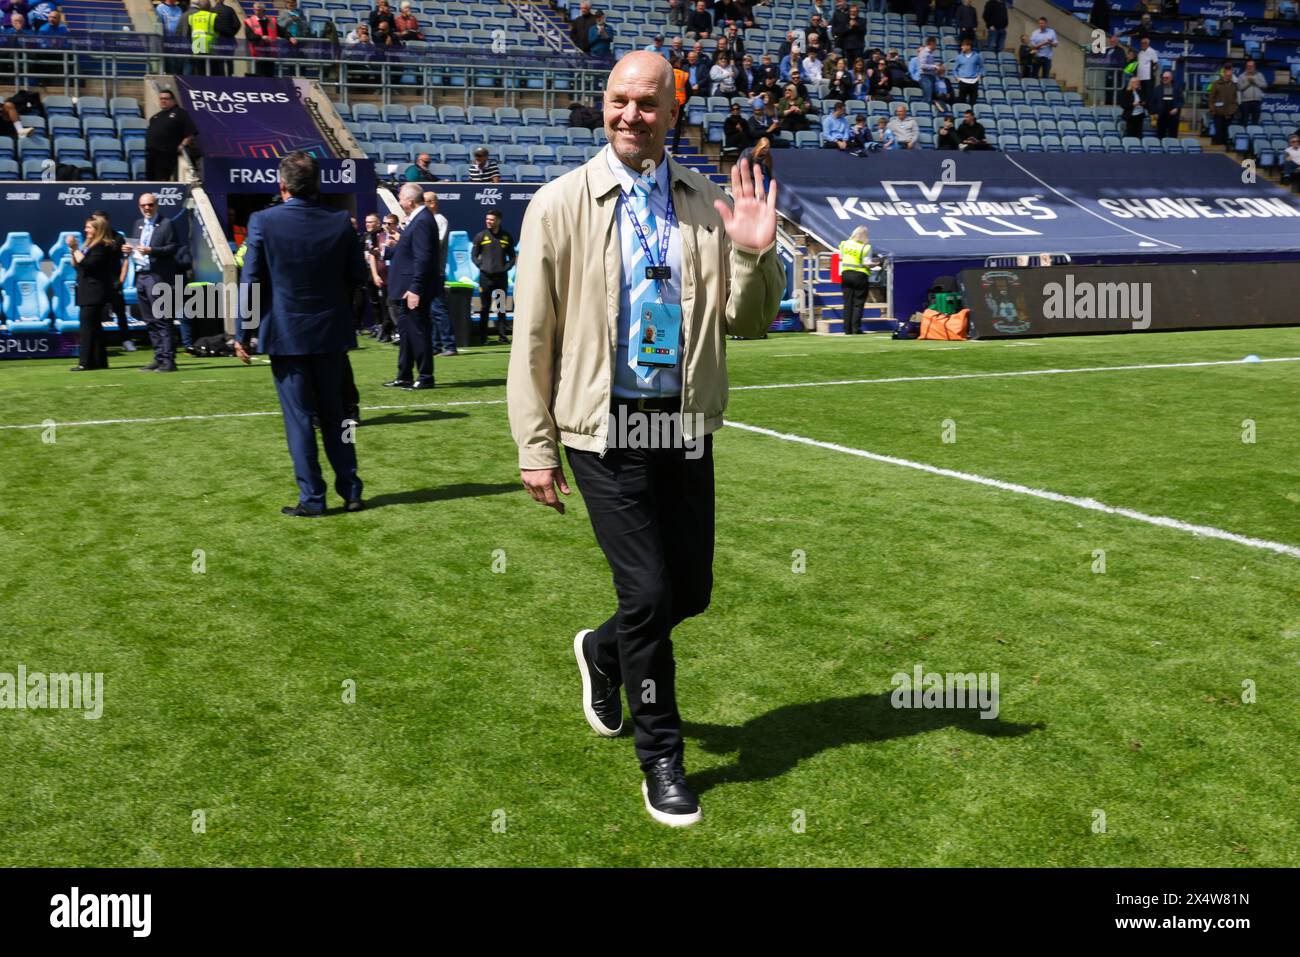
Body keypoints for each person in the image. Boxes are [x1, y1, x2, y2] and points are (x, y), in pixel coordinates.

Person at [506, 51, 784, 828]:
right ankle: (662, 757)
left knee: (688, 591)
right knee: (651, 594)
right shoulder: (559, 204)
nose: (631, 115)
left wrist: (756, 253)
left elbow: (749, 320)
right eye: (619, 101)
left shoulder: (702, 201)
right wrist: (535, 443)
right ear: (605, 104)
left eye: (647, 104)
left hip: (683, 427)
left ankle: (602, 649)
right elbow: (533, 336)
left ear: (673, 113)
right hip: (604, 430)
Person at [234, 152, 366, 516]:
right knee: (338, 418)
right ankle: (351, 489)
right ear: (317, 185)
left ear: (283, 186)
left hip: (287, 335)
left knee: (299, 420)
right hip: (330, 335)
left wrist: (241, 333)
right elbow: (359, 278)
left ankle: (313, 498)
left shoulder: (263, 221)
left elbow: (252, 280)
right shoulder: (340, 221)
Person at [382, 182, 442, 390]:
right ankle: (404, 374)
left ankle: (425, 376)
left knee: (417, 331)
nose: (399, 201)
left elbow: (423, 257)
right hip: (406, 286)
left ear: (409, 201)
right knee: (407, 332)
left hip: (413, 288)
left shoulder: (423, 220)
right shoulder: (418, 219)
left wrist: (416, 287)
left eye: (400, 197)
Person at [125, 193, 182, 373]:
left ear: (156, 205)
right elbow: (136, 248)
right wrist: (128, 249)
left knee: (163, 319)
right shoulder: (137, 224)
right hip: (141, 275)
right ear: (139, 207)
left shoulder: (166, 224)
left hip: (158, 277)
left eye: (150, 205)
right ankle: (158, 357)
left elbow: (173, 247)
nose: (147, 208)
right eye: (143, 205)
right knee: (149, 320)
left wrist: (152, 250)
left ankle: (169, 360)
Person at [66, 214, 121, 372]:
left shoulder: (102, 246)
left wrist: (76, 249)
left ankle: (85, 362)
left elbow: (89, 264)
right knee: (95, 328)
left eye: (89, 227)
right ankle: (99, 361)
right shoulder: (89, 245)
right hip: (86, 289)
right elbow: (77, 265)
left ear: (97, 229)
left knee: (87, 327)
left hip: (94, 291)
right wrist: (73, 251)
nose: (86, 230)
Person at [471, 210, 516, 345]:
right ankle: (483, 338)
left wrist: (506, 268)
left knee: (501, 307)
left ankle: (502, 337)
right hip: (485, 279)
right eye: (487, 219)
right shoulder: (481, 236)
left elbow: (513, 257)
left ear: (499, 220)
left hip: (501, 278)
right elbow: (474, 255)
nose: (488, 221)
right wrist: (482, 266)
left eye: (491, 219)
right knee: (484, 308)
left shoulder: (506, 237)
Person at [422, 191, 456, 356]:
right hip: (429, 271)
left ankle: (449, 344)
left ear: (433, 203)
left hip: (436, 271)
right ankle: (436, 346)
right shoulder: (427, 220)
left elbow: (437, 242)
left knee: (438, 308)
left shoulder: (440, 220)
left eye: (426, 201)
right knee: (431, 310)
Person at [145, 89, 197, 181]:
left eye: (166, 98)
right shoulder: (155, 117)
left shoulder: (180, 113)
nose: (163, 101)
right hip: (152, 153)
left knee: (162, 179)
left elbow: (191, 132)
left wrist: (182, 145)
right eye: (161, 99)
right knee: (150, 179)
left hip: (167, 154)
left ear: (173, 100)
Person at [838, 226, 873, 335]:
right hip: (860, 276)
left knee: (847, 302)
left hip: (846, 274)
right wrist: (877, 264)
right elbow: (867, 263)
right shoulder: (865, 248)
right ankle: (855, 328)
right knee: (858, 303)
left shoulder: (845, 244)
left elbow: (840, 257)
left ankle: (846, 329)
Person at [1207, 64, 1238, 146]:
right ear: (1224, 74)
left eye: (1230, 75)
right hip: (1218, 113)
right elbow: (1211, 98)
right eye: (1227, 75)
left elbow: (1236, 99)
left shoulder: (1234, 85)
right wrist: (1212, 110)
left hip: (1229, 113)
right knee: (1219, 132)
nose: (1229, 76)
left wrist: (1233, 109)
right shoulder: (1216, 84)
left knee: (1227, 133)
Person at [211, 0, 241, 77]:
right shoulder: (230, 9)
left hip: (217, 40)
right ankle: (230, 77)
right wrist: (231, 33)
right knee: (229, 61)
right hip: (230, 40)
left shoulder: (212, 10)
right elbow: (238, 24)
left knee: (219, 61)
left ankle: (221, 79)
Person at [1150, 70, 1182, 140]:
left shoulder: (1177, 89)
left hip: (1173, 117)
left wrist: (1177, 108)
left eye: (1167, 77)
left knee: (1172, 136)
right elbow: (1152, 102)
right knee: (1160, 136)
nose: (1164, 79)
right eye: (1163, 77)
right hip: (1161, 116)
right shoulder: (1157, 89)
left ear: (1171, 78)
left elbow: (1181, 100)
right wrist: (1154, 113)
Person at [952, 38, 983, 107]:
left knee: (973, 102)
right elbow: (954, 69)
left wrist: (979, 75)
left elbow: (982, 67)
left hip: (974, 82)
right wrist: (957, 78)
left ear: (968, 46)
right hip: (963, 81)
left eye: (963, 45)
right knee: (961, 101)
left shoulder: (977, 56)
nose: (961, 47)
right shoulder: (959, 57)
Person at [1236, 60, 1267, 127]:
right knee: (1244, 121)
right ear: (1246, 66)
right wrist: (1248, 82)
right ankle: (1244, 135)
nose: (1249, 67)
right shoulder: (1241, 76)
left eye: (1251, 66)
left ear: (1254, 66)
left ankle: (1254, 134)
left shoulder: (1259, 75)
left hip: (1256, 101)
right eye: (1248, 66)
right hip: (1245, 102)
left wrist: (1255, 81)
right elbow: (1239, 88)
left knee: (1255, 121)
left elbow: (1264, 85)